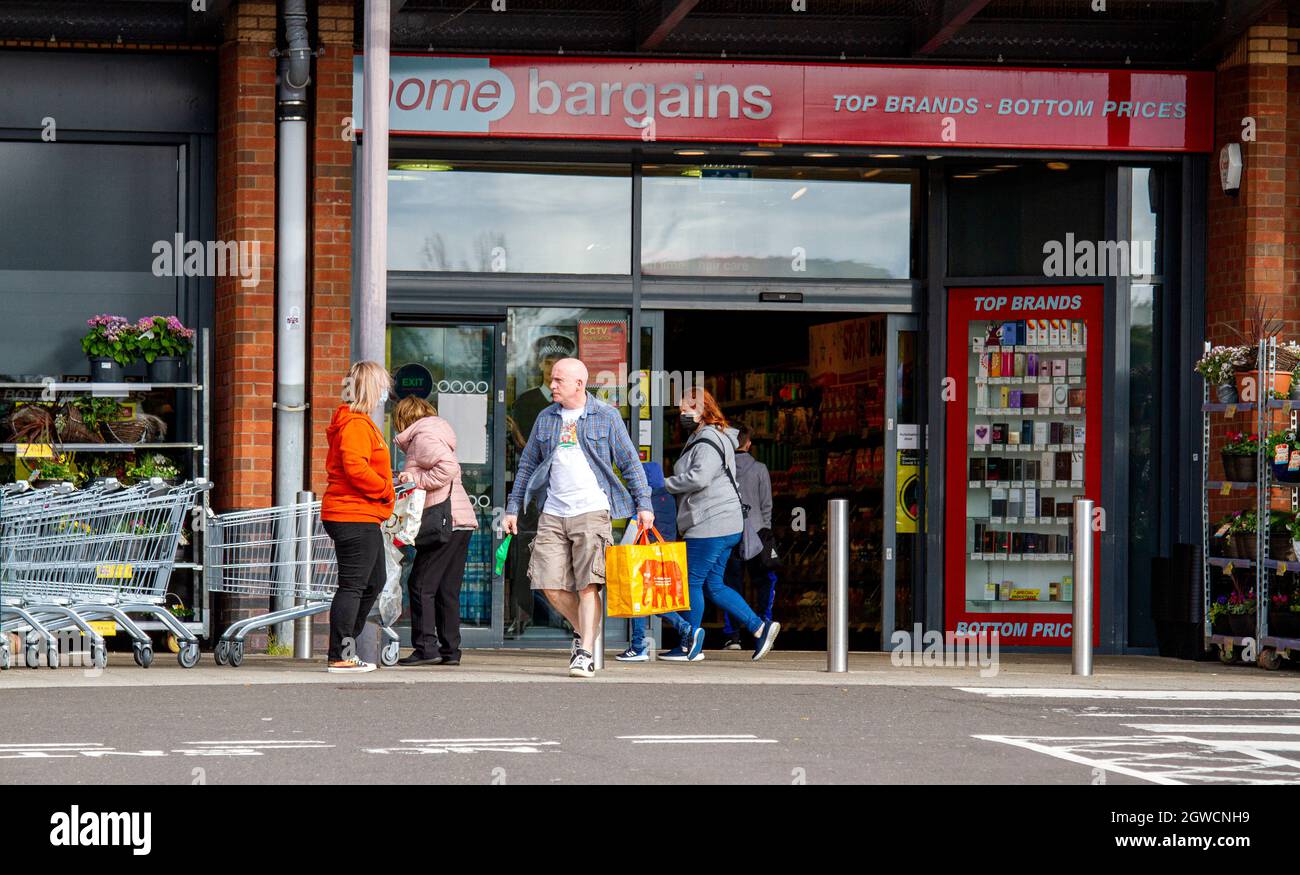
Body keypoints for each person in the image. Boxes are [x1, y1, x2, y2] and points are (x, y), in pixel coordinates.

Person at [503, 357, 654, 679]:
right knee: (547, 582)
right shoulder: (546, 418)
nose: (552, 385)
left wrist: (644, 505)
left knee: (589, 585)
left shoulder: (607, 416)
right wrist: (513, 507)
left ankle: (584, 651)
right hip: (553, 513)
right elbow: (528, 466)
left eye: (558, 380)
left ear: (579, 384)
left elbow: (629, 463)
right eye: (552, 379)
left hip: (592, 511)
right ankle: (583, 629)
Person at [658, 388, 780, 663]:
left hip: (709, 522)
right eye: (679, 411)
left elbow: (699, 478)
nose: (682, 415)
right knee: (714, 584)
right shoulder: (721, 436)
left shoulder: (707, 438)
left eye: (686, 410)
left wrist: (663, 484)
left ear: (703, 410)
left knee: (692, 582)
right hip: (726, 522)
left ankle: (689, 643)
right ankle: (759, 628)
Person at [321, 361, 396, 674]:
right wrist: (383, 488)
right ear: (371, 388)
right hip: (353, 513)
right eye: (382, 386)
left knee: (373, 581)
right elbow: (355, 466)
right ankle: (340, 653)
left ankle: (346, 646)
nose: (386, 393)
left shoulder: (358, 422)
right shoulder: (354, 424)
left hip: (361, 514)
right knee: (353, 585)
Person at [392, 396, 478, 667]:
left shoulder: (423, 437)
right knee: (446, 590)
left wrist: (413, 479)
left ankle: (427, 648)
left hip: (443, 521)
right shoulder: (436, 432)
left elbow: (448, 468)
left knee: (420, 584)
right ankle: (450, 651)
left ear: (404, 419)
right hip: (459, 521)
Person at [505, 333, 578, 636]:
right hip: (534, 498)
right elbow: (523, 455)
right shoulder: (525, 402)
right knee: (525, 553)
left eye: (557, 364)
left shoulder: (582, 406)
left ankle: (566, 616)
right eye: (548, 363)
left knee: (566, 557)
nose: (552, 370)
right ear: (540, 365)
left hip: (566, 495)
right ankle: (522, 614)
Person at [615, 461, 677, 662]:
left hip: (642, 557)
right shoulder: (667, 498)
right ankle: (687, 631)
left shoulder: (645, 502)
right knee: (656, 601)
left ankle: (638, 646)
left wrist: (619, 553)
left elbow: (634, 530)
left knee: (637, 601)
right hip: (660, 555)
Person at [721, 424, 777, 650]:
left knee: (730, 585)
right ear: (749, 444)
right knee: (764, 582)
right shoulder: (760, 469)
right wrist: (766, 530)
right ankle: (764, 628)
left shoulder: (724, 468)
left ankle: (733, 635)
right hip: (757, 532)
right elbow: (767, 505)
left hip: (730, 530)